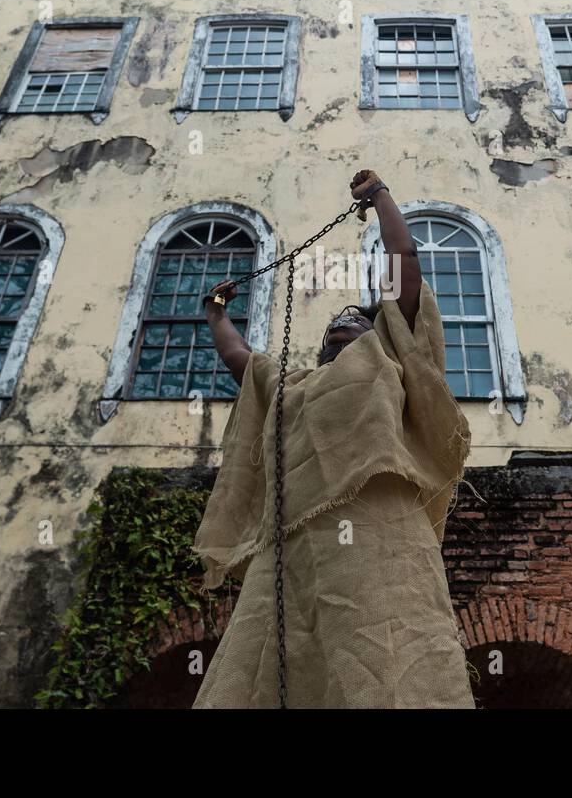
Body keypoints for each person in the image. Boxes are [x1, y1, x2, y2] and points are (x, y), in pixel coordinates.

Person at [192, 170, 475, 708]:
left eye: (357, 317)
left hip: (376, 532)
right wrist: (215, 313)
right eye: (335, 321)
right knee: (258, 676)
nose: (343, 320)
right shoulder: (291, 386)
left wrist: (379, 197)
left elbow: (404, 265)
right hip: (288, 548)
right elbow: (239, 359)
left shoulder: (390, 356)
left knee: (389, 665)